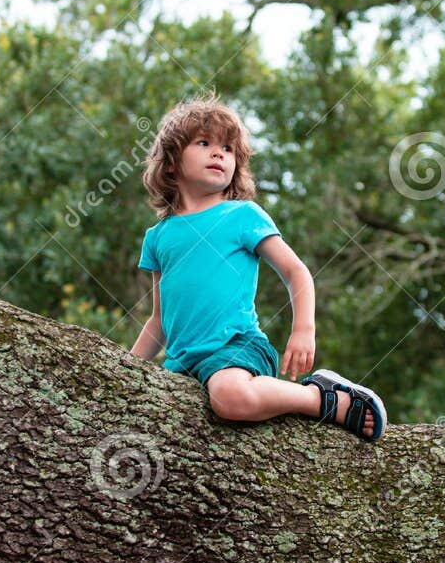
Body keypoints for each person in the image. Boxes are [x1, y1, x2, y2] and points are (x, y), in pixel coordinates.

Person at [129, 94, 388, 442]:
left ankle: (325, 398)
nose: (220, 153)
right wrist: (126, 369)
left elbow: (296, 272)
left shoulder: (242, 216)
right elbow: (159, 320)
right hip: (182, 365)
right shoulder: (158, 237)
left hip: (236, 347)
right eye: (204, 143)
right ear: (171, 163)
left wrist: (303, 330)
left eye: (228, 149)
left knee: (230, 398)